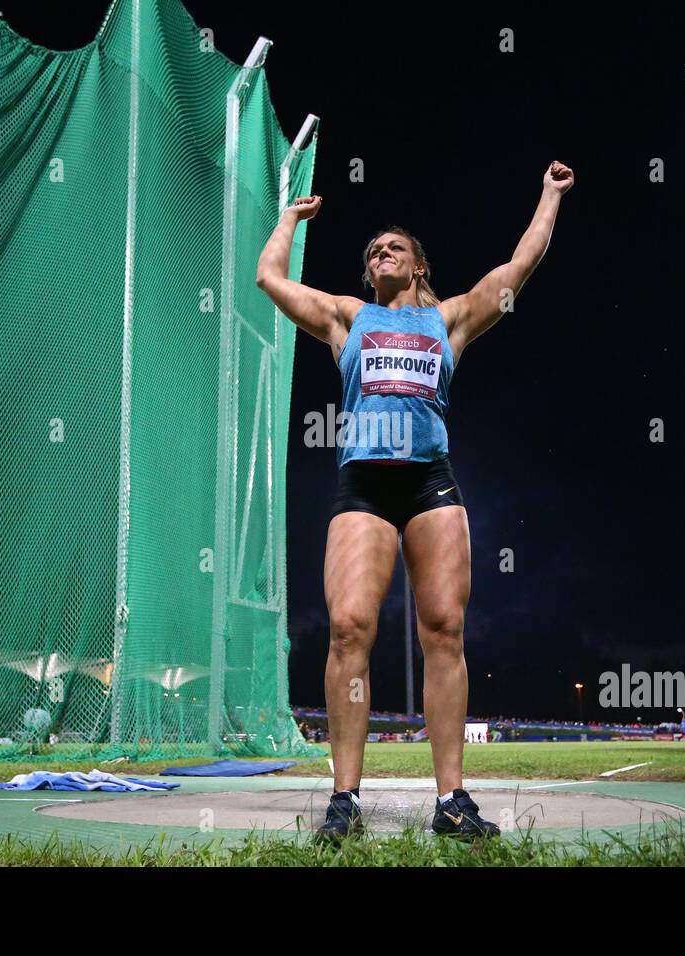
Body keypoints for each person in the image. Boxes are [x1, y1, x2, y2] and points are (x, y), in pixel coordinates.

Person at [256, 161, 573, 842]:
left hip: (431, 483)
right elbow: (270, 280)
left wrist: (548, 195)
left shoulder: (451, 320)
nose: (379, 254)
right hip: (363, 487)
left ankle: (453, 800)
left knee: (444, 631)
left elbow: (519, 266)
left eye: (392, 246)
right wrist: (288, 219)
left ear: (419, 265)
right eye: (372, 251)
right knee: (348, 630)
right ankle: (344, 801)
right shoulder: (346, 317)